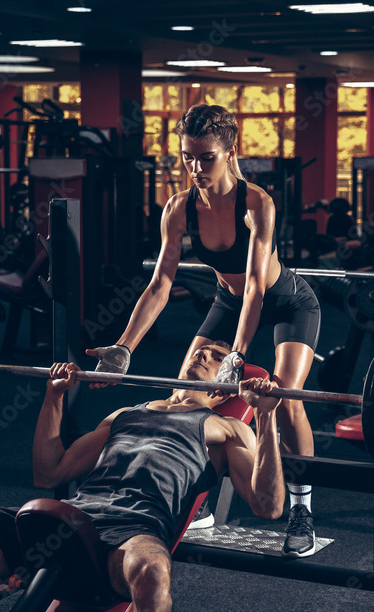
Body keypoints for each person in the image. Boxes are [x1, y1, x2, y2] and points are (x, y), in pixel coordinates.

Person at [0, 342, 284, 612]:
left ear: (223, 389)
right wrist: (54, 395)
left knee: (153, 574)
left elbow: (267, 506)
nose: (203, 353)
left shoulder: (227, 429)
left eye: (215, 356)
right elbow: (49, 472)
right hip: (70, 518)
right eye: (199, 349)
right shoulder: (125, 414)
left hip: (132, 533)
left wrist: (265, 416)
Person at [86, 103, 322, 557]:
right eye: (187, 157)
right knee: (185, 392)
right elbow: (160, 284)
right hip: (229, 301)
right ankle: (201, 499)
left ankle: (301, 509)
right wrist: (124, 347)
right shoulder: (179, 208)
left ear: (231, 152)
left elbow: (255, 287)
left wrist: (237, 355)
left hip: (287, 302)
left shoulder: (256, 204)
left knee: (285, 399)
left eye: (206, 157)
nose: (195, 168)